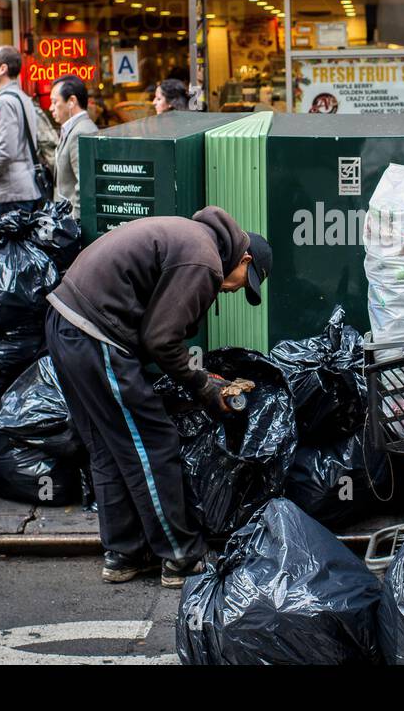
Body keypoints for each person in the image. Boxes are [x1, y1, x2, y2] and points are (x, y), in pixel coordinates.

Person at [44, 207, 272, 587]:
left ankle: (124, 554)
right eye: (242, 281)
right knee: (151, 442)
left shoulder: (192, 239)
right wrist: (202, 386)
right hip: (94, 334)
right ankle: (179, 555)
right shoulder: (205, 260)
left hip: (65, 323)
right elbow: (161, 340)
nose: (233, 289)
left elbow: (156, 332)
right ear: (243, 258)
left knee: (107, 445)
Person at [0, 45, 43, 217]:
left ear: (2, 69)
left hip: (9, 195)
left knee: (5, 245)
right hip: (18, 192)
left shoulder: (5, 102)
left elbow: (6, 151)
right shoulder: (21, 97)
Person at [50, 74, 98, 206]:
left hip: (73, 221)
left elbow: (85, 185)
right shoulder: (73, 129)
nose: (51, 108)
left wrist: (75, 220)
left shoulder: (81, 131)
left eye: (55, 102)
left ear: (71, 101)